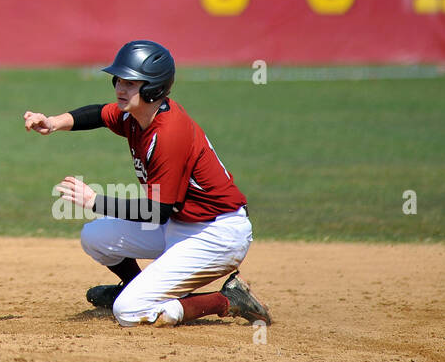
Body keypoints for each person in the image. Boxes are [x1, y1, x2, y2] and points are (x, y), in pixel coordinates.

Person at [22, 40, 272, 327]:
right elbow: (98, 114)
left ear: (154, 88)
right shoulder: (136, 115)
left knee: (127, 311)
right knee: (95, 236)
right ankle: (139, 287)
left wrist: (95, 201)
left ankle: (228, 299)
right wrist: (53, 123)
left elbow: (159, 210)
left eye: (130, 82)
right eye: (118, 79)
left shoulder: (168, 133)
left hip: (216, 234)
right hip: (182, 222)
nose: (119, 87)